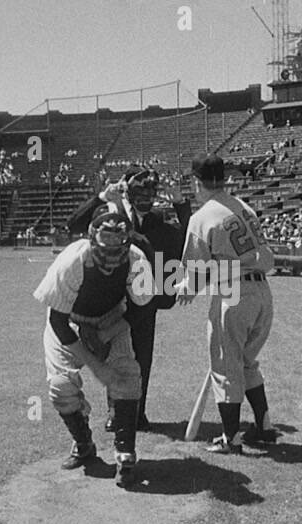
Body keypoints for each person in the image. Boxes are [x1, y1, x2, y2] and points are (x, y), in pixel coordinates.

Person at [32, 208, 154, 488]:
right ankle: (83, 442)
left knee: (126, 376)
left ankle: (125, 452)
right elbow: (58, 321)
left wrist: (108, 332)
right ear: (92, 236)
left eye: (118, 236)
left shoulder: (137, 260)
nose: (112, 244)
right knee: (61, 386)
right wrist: (96, 365)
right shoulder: (73, 260)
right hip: (70, 320)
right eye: (106, 235)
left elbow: (142, 310)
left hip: (112, 316)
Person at [67, 166, 190, 431]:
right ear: (127, 190)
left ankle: (137, 413)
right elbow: (74, 224)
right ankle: (116, 411)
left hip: (145, 304)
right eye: (139, 191)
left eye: (150, 192)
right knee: (114, 357)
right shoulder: (111, 213)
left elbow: (191, 240)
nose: (146, 198)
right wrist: (101, 198)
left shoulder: (159, 222)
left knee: (142, 358)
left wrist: (180, 203)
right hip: (113, 300)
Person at [176, 154, 276, 454]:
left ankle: (230, 438)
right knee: (246, 363)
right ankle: (264, 428)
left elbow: (196, 270)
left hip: (232, 292)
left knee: (224, 366)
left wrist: (187, 288)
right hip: (262, 293)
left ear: (197, 182)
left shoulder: (202, 216)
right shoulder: (243, 207)